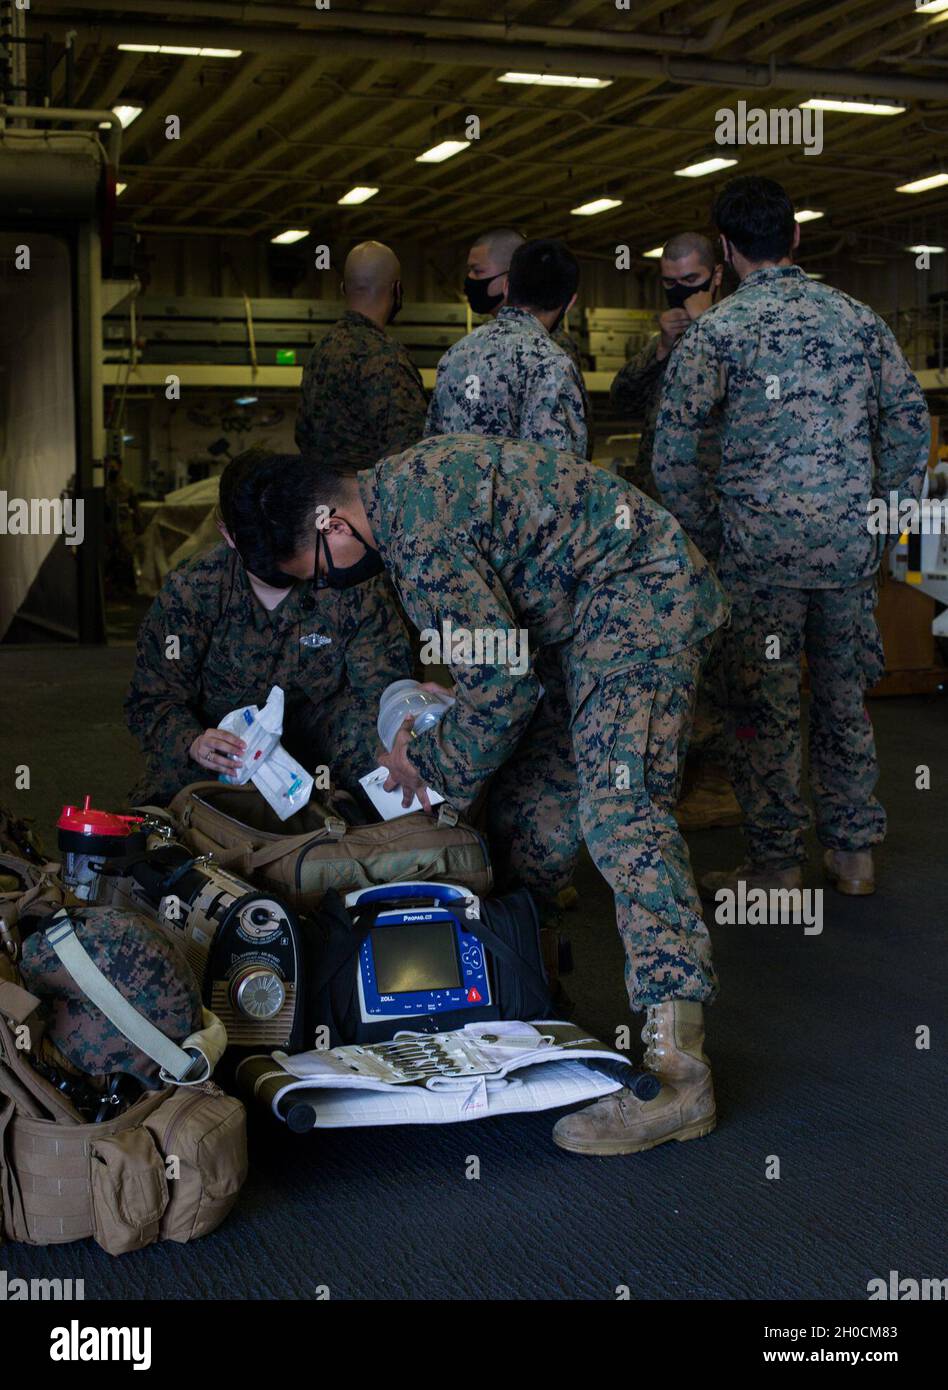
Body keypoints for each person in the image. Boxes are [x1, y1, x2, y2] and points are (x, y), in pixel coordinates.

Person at [287, 432, 729, 1157]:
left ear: (331, 526)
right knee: (532, 807)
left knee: (623, 811)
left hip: (641, 601)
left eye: (313, 571)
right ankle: (534, 997)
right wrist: (461, 708)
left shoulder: (415, 534)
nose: (324, 584)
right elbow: (499, 660)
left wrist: (425, 762)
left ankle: (681, 1076)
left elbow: (502, 686)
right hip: (579, 621)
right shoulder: (395, 493)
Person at [653, 175, 931, 897]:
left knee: (763, 712)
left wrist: (708, 540)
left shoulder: (717, 332)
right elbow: (909, 421)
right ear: (797, 236)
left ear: (725, 249)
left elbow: (675, 451)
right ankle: (852, 853)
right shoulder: (859, 321)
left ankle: (775, 863)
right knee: (844, 701)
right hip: (845, 554)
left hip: (757, 558)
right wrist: (883, 516)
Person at [125, 448, 411, 806]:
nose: (283, 570)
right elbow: (152, 700)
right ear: (226, 534)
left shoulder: (348, 578)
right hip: (225, 754)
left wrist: (395, 747)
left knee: (387, 762)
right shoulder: (194, 590)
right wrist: (193, 742)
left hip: (320, 749)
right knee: (169, 798)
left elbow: (382, 692)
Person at [610, 232, 739, 832]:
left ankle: (717, 781)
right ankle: (671, 775)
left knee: (719, 650)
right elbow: (619, 396)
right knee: (664, 647)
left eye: (690, 282)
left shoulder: (740, 331)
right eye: (669, 282)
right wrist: (661, 349)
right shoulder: (665, 338)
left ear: (717, 274)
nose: (679, 294)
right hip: (656, 521)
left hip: (718, 518)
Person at [427, 239, 587, 456]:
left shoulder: (455, 354)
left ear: (506, 287)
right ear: (569, 303)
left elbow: (430, 448)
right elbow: (560, 470)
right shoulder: (552, 364)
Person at [295, 240, 427, 471]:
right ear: (397, 290)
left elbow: (302, 435)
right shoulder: (388, 359)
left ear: (343, 288)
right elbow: (409, 454)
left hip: (321, 497)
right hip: (368, 501)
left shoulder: (320, 351)